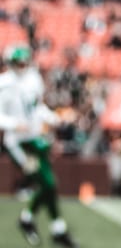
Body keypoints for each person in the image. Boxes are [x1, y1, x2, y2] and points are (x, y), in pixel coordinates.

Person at [0, 45, 78, 248]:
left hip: (35, 139)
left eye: (25, 61)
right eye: (19, 62)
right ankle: (27, 219)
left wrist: (55, 118)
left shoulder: (33, 79)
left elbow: (37, 108)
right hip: (19, 143)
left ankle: (58, 229)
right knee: (48, 183)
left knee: (49, 186)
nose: (22, 66)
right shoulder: (4, 84)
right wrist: (13, 124)